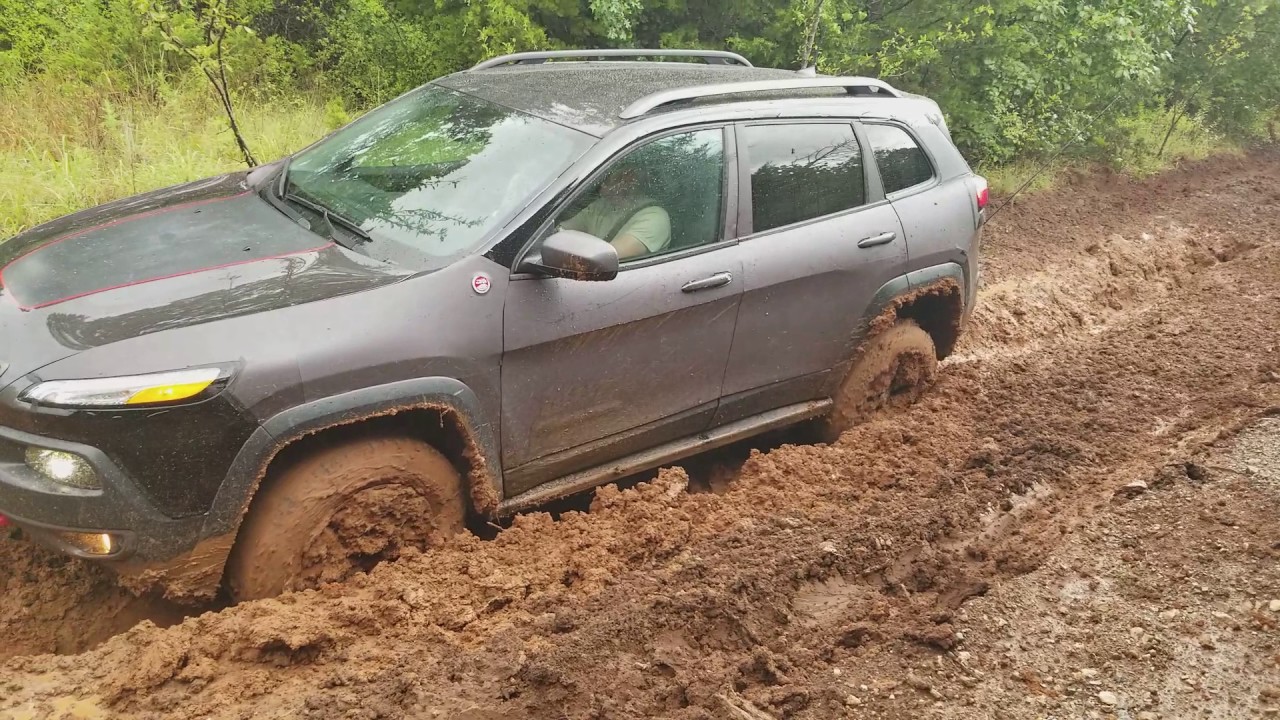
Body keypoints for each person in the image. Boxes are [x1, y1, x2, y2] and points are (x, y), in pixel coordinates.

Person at [560, 164, 670, 261]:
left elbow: (607, 257)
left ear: (629, 178)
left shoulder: (654, 218)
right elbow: (561, 231)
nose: (600, 186)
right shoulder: (602, 205)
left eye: (607, 179)